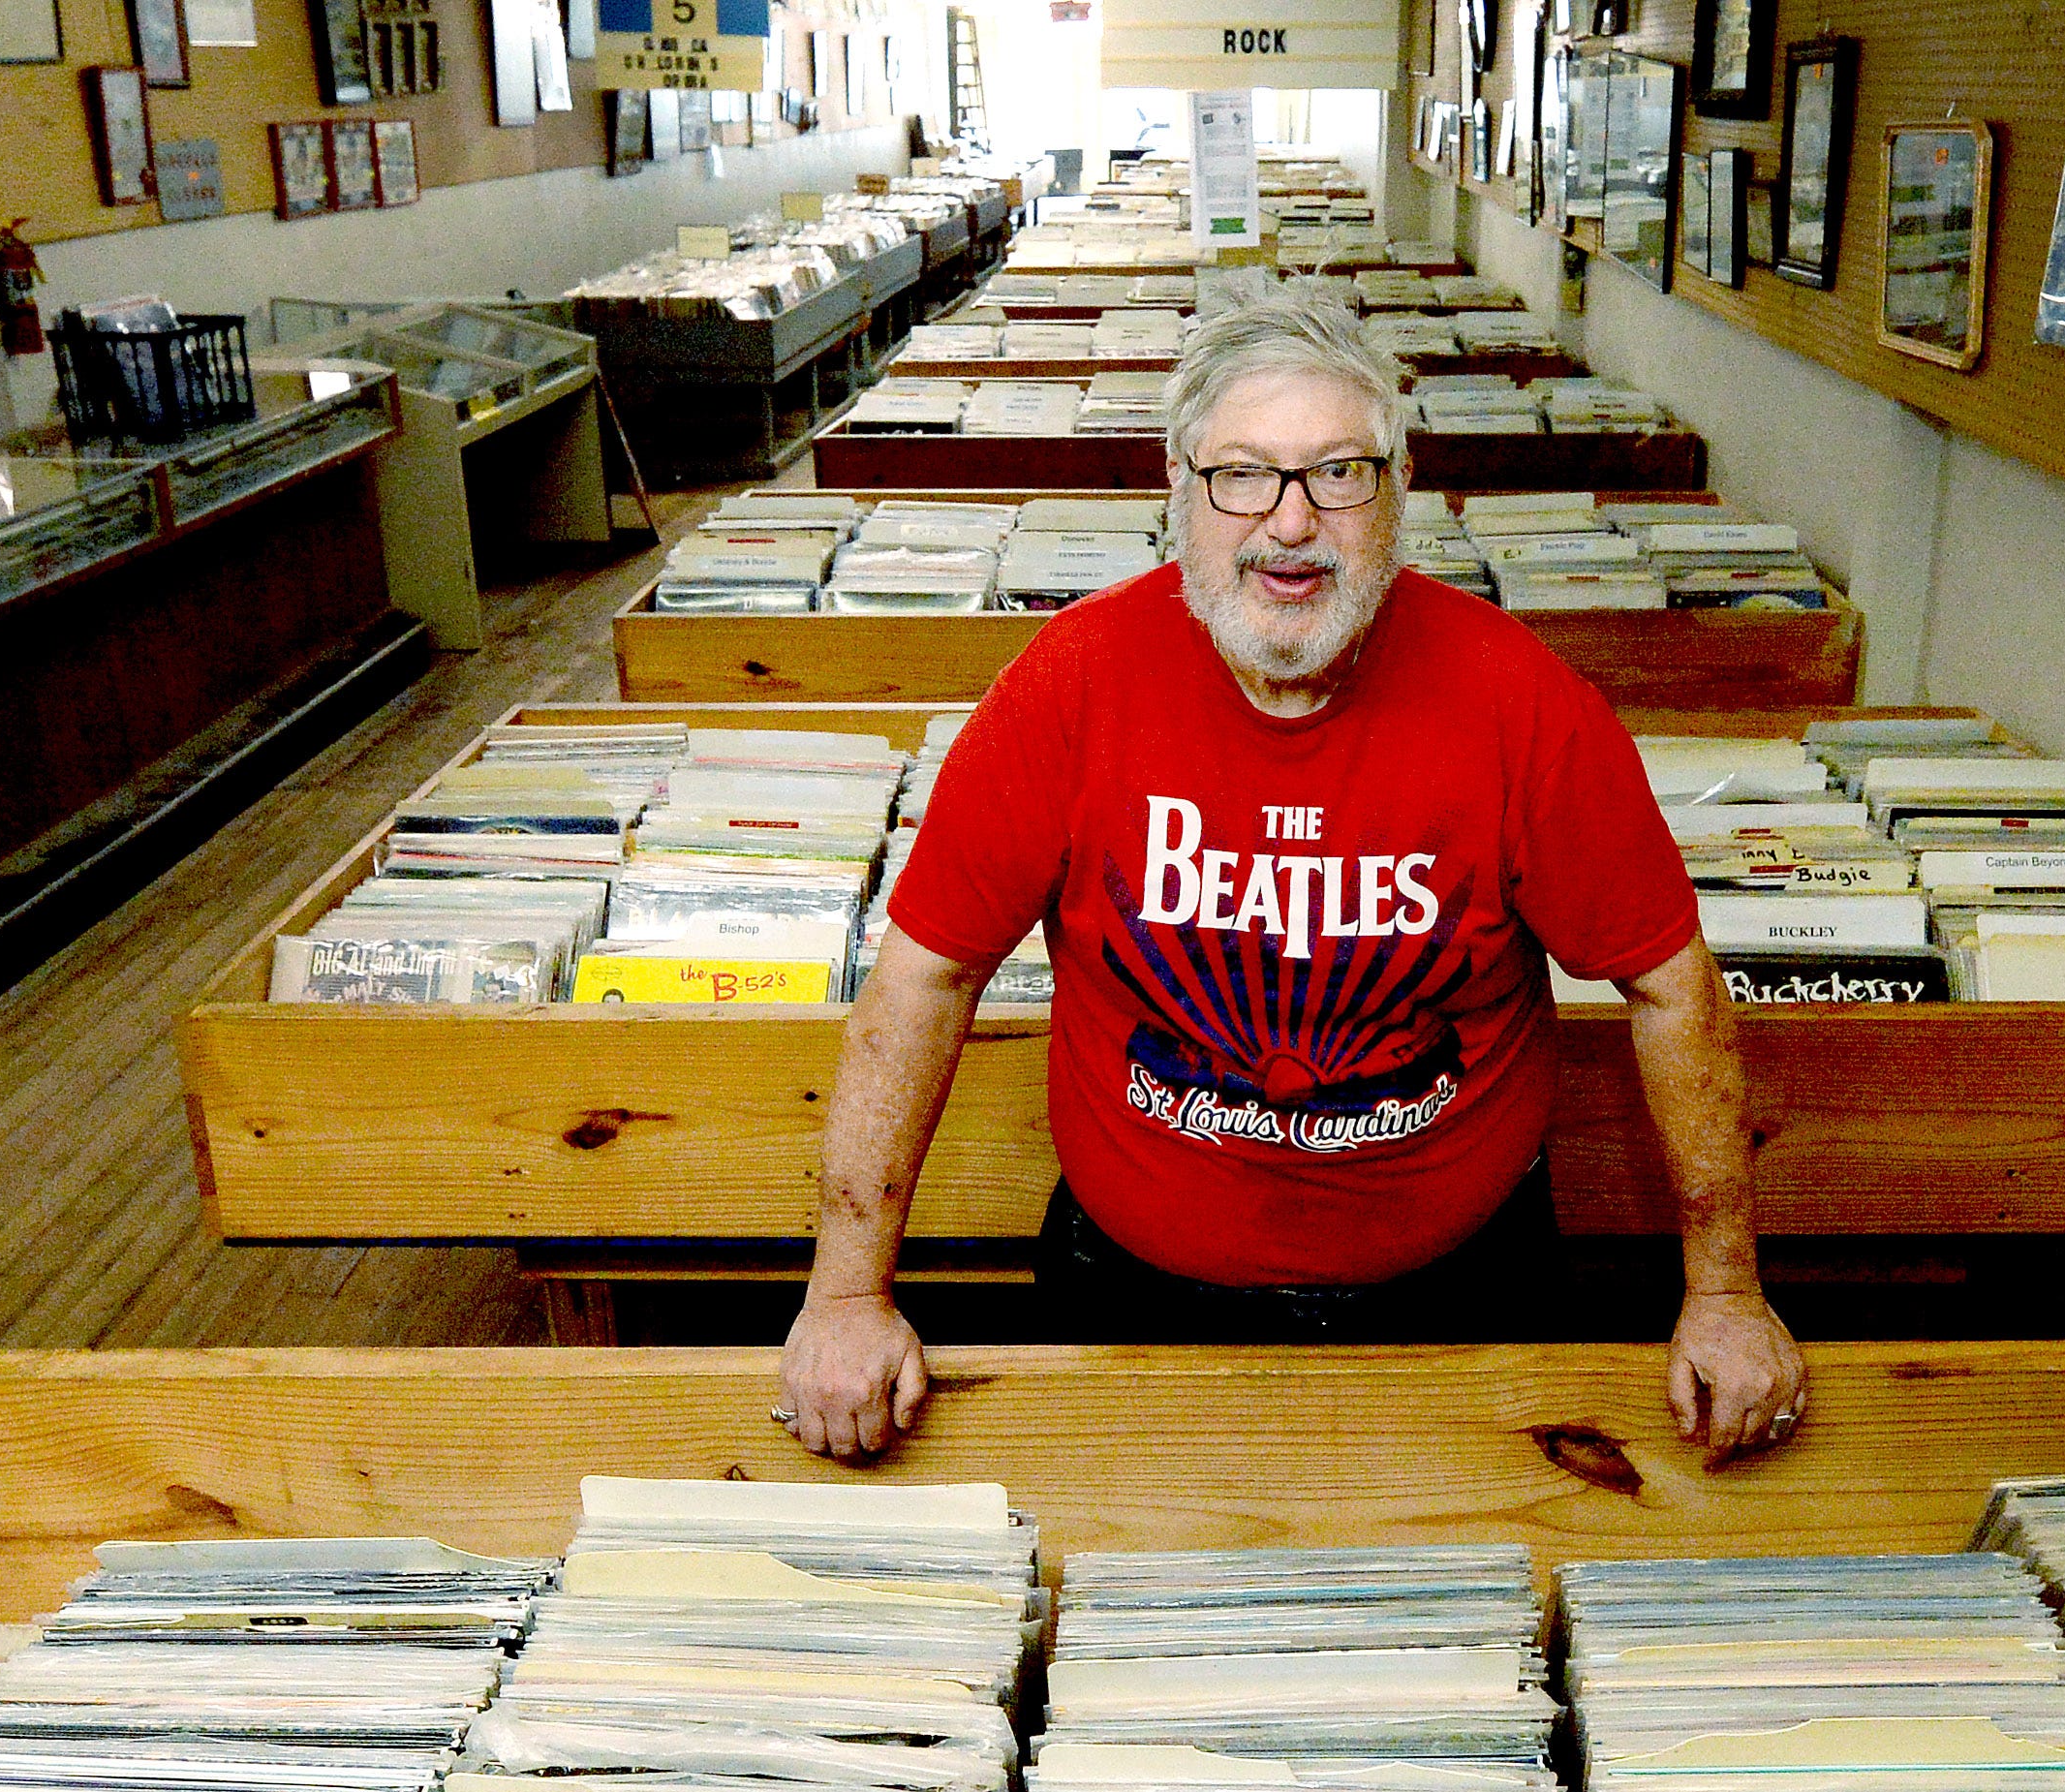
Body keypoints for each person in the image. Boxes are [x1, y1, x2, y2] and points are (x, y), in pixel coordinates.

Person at [774, 289, 1806, 1459]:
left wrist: (1723, 1293)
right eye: (1244, 474)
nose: (1289, 520)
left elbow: (1672, 984)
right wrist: (847, 1293)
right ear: (1181, 490)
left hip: (1466, 1295)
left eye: (1338, 473)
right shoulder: (1068, 686)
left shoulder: (1525, 706)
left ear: (1397, 495)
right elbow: (927, 976)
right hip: (1133, 1296)